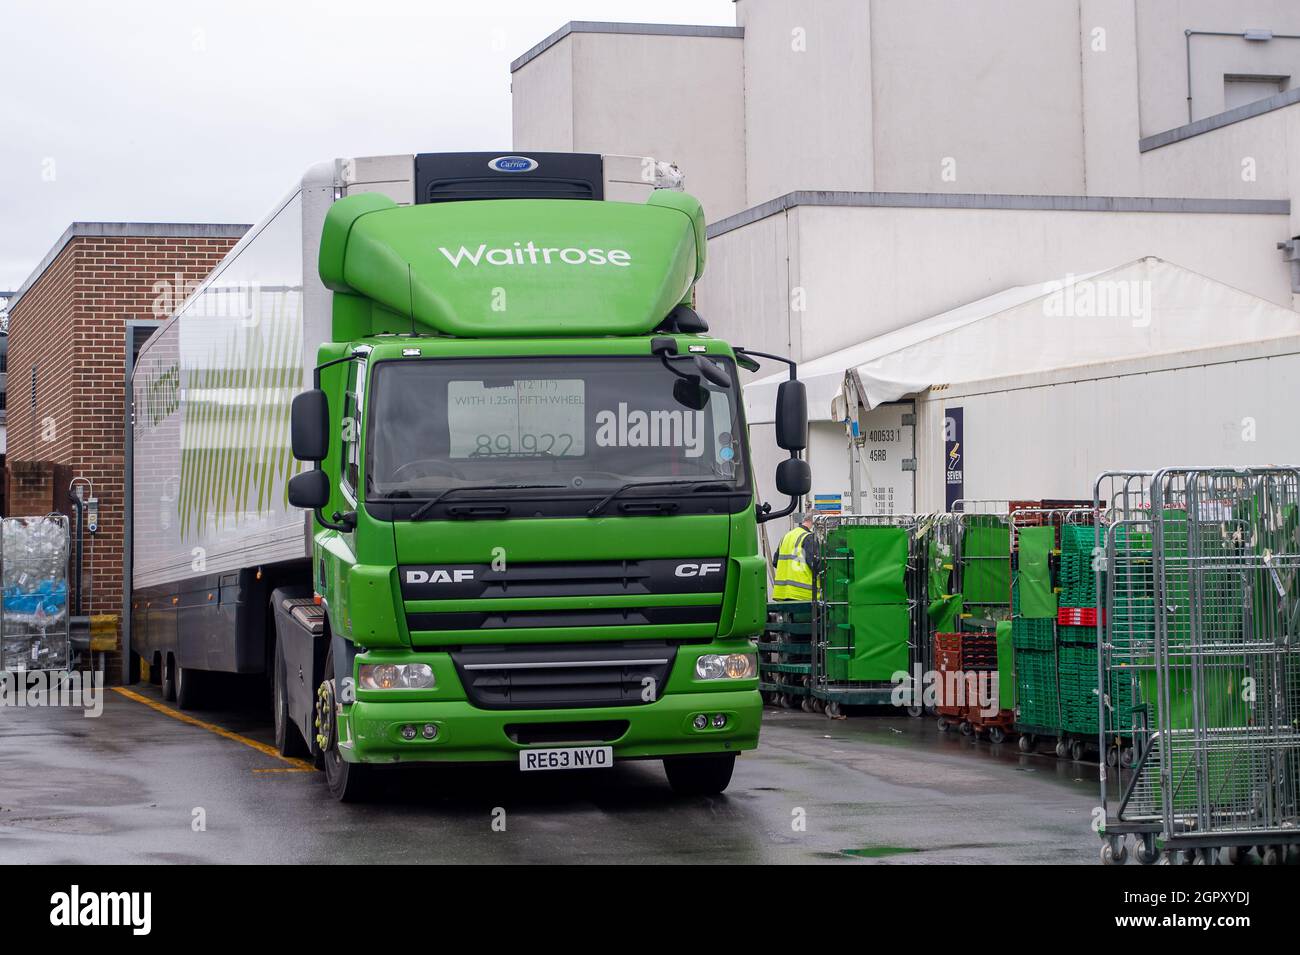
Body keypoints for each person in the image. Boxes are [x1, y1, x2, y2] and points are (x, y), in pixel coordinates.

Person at [771, 511, 817, 601]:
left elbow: (775, 562)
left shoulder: (786, 536)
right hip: (803, 595)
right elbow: (815, 564)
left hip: (783, 594)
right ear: (815, 522)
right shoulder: (809, 537)